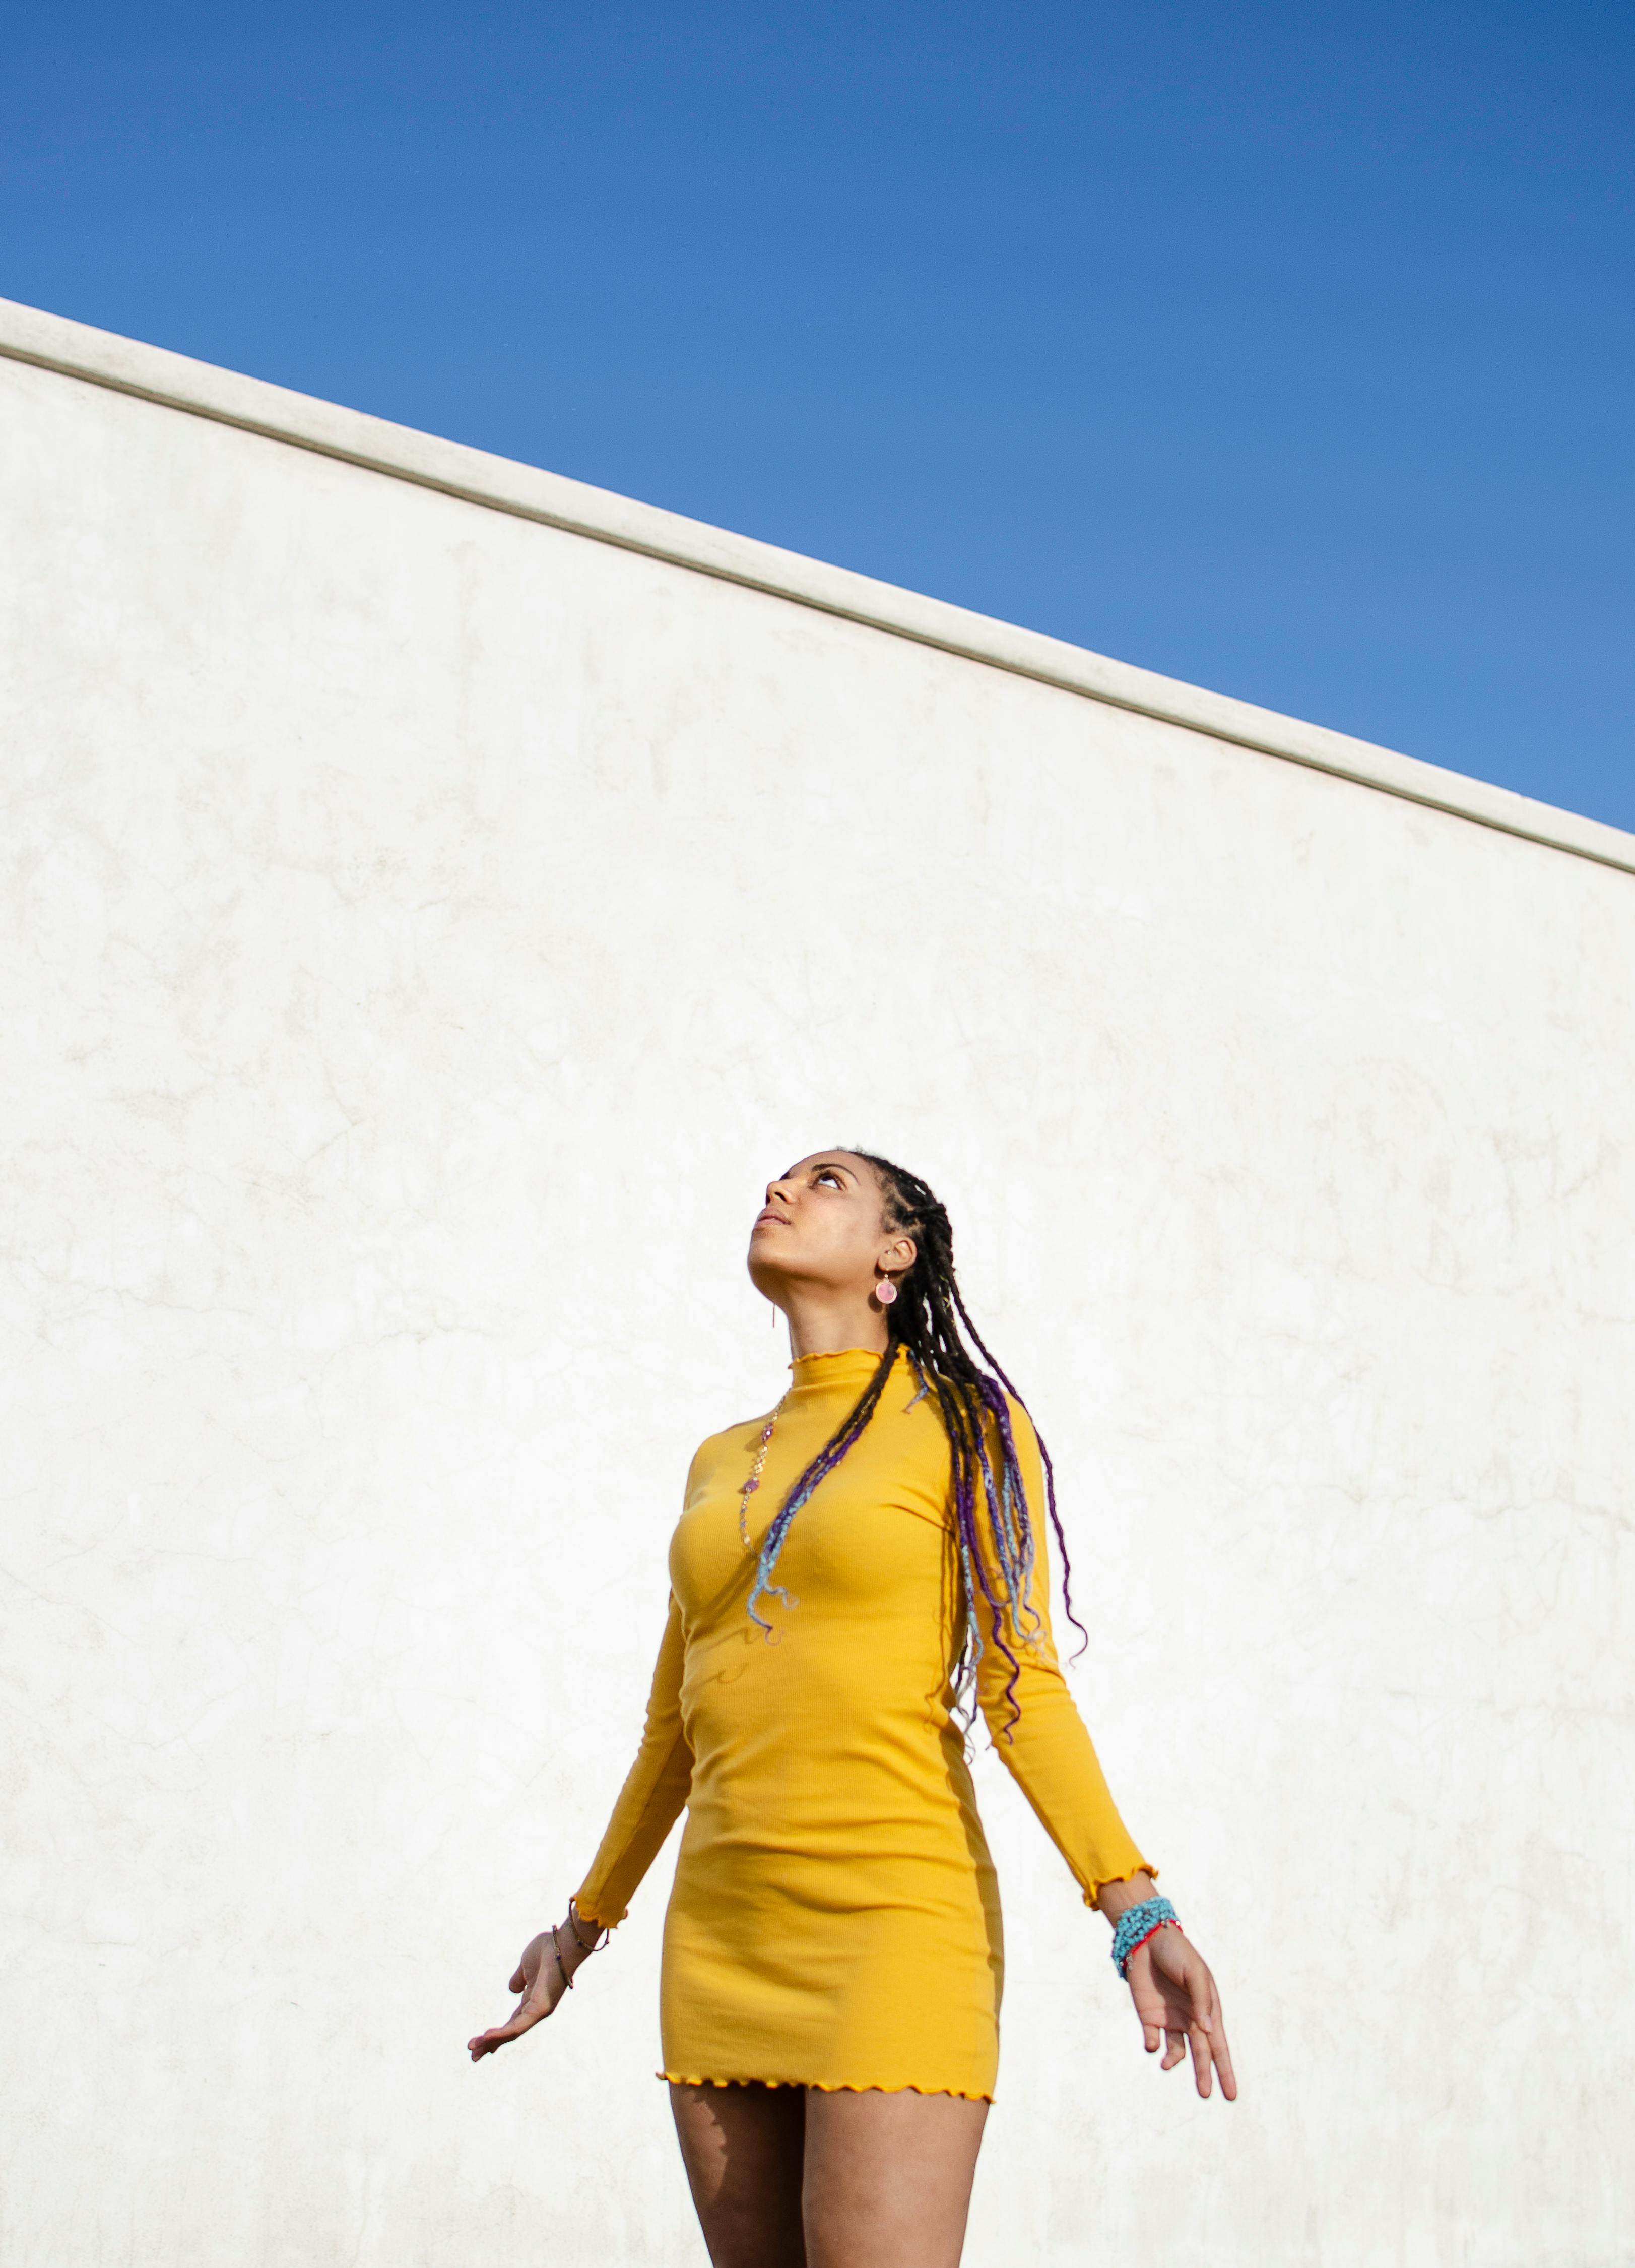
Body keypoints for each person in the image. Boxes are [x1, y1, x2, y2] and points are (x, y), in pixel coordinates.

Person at [469, 1150, 1234, 2267]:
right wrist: (579, 1932)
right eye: (776, 1180)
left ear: (895, 1253)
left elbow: (1022, 1690)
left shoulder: (966, 1423)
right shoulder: (716, 1460)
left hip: (895, 1921)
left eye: (823, 1182)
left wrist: (1137, 1912)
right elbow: (672, 1734)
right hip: (724, 1936)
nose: (778, 1192)